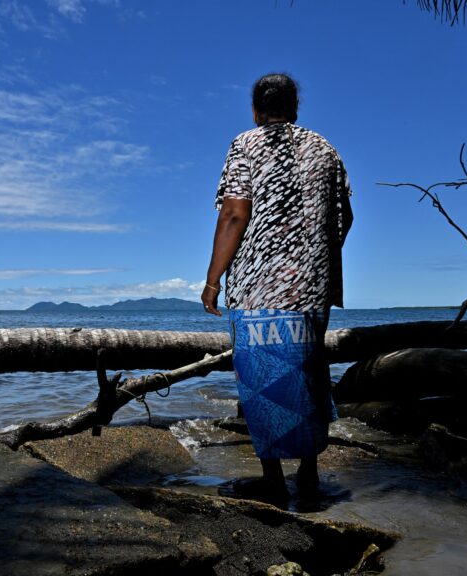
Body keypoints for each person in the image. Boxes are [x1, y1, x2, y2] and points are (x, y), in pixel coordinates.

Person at [201, 73, 353, 503]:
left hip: (257, 289)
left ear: (255, 110)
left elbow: (234, 213)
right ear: (295, 108)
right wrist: (312, 258)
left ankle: (272, 478)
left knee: (260, 380)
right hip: (312, 288)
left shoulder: (245, 144)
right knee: (308, 373)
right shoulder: (326, 149)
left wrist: (213, 280)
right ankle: (309, 473)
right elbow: (345, 217)